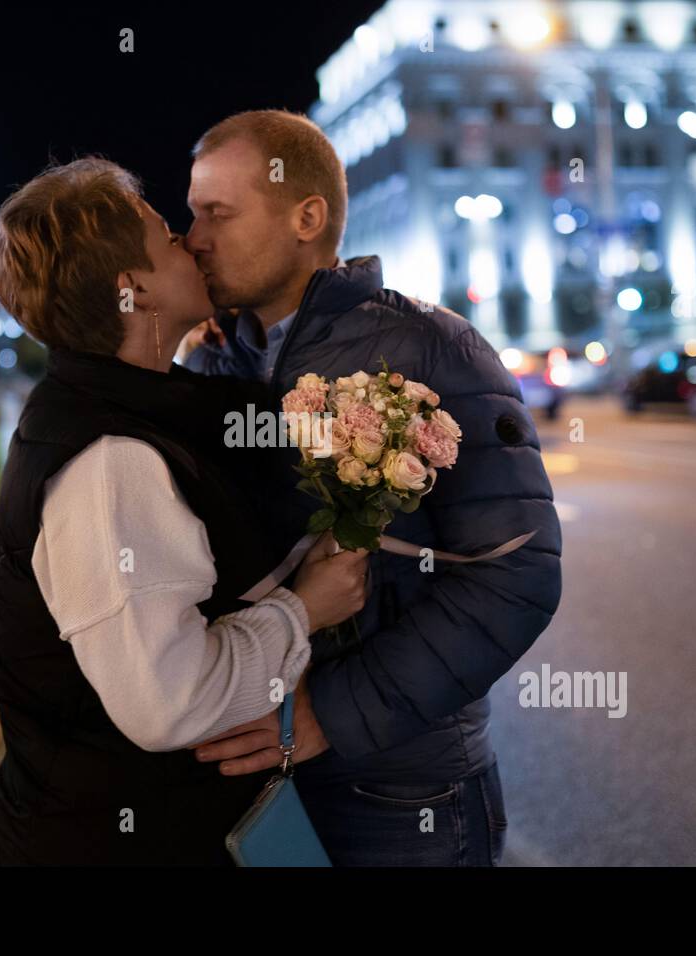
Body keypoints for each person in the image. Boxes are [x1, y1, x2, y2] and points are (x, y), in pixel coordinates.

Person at [181, 110, 563, 866]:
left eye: (216, 213)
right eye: (193, 214)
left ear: (306, 215)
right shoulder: (212, 365)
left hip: (400, 794)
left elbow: (518, 573)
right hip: (248, 785)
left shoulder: (432, 347)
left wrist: (333, 713)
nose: (194, 237)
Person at [0, 157, 367, 865]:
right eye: (166, 238)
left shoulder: (146, 406)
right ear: (133, 292)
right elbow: (172, 703)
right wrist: (306, 609)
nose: (191, 241)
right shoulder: (108, 464)